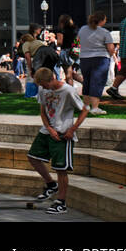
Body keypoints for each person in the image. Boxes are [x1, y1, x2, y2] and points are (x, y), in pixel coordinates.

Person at [26, 66, 89, 214]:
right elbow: (42, 112)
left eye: (44, 85)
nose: (43, 88)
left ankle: (61, 202)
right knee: (33, 157)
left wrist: (72, 129)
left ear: (52, 79)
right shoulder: (43, 89)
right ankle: (50, 184)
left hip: (63, 134)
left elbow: (84, 110)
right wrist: (49, 129)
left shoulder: (68, 91)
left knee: (61, 169)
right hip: (48, 131)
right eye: (41, 86)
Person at [75, 12, 115, 115]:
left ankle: (86, 105)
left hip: (84, 58)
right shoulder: (105, 32)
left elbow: (78, 41)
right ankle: (95, 107)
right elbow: (111, 48)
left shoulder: (83, 29)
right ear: (101, 21)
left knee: (87, 82)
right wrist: (110, 56)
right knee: (97, 82)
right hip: (100, 58)